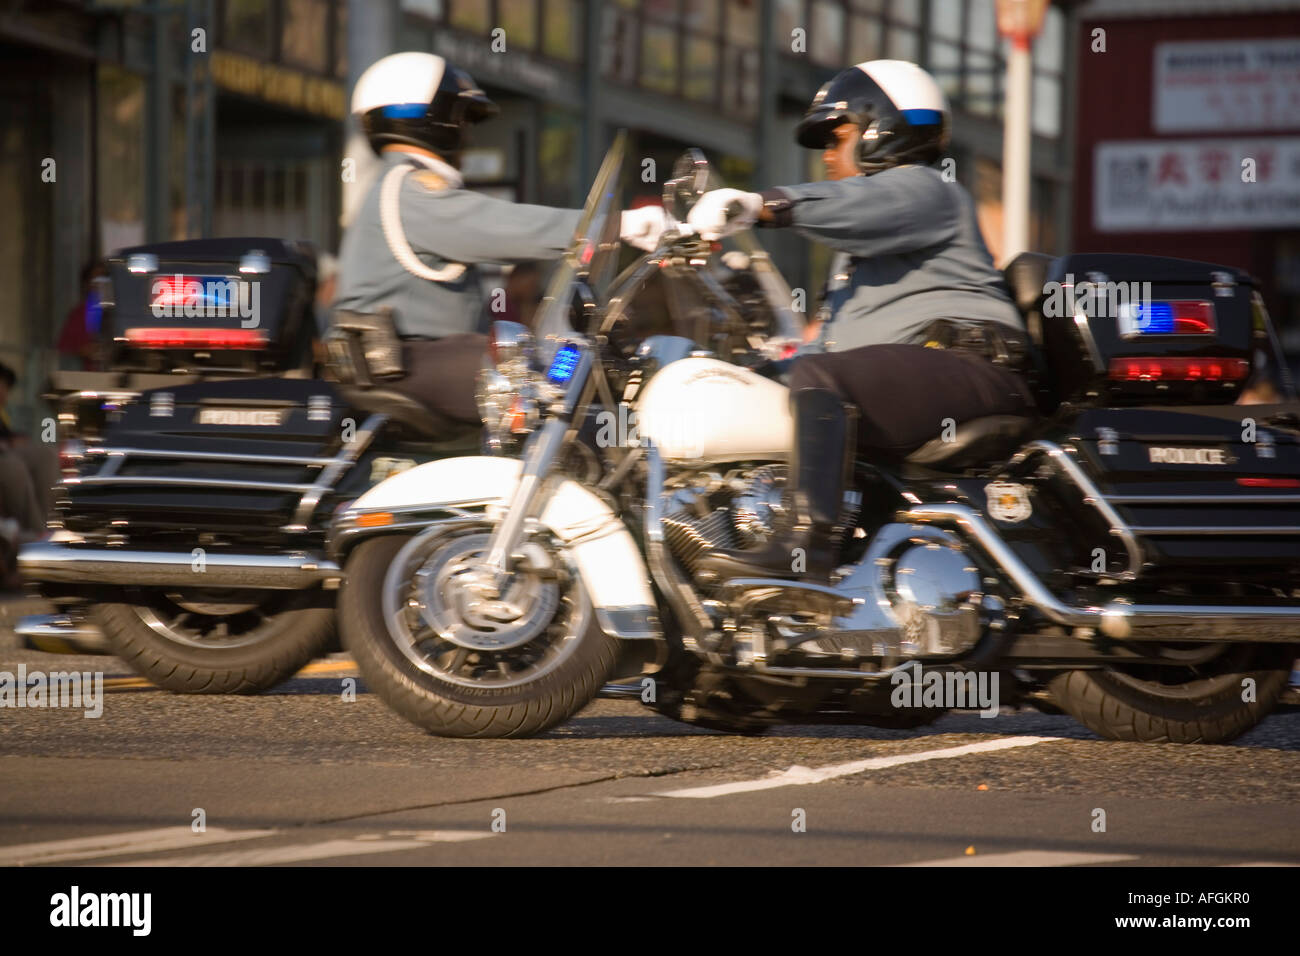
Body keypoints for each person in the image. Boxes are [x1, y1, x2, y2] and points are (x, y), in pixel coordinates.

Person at [686, 60, 1036, 581]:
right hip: (917, 377)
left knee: (820, 377)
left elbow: (861, 206)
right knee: (754, 385)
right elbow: (827, 348)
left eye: (837, 137)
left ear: (883, 132)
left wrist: (761, 205)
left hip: (976, 368)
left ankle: (806, 547)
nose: (827, 157)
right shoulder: (860, 256)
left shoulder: (926, 191)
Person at [334, 52, 665, 424]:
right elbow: (498, 225)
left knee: (556, 373)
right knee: (543, 393)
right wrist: (620, 225)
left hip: (414, 362)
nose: (467, 133)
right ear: (429, 118)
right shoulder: (407, 188)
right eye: (460, 118)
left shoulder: (396, 186)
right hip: (402, 364)